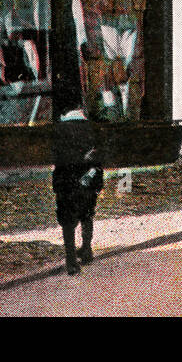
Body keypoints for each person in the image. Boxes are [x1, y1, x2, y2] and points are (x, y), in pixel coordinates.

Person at [53, 106, 104, 276]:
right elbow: (99, 157)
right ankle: (87, 250)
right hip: (88, 181)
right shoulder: (92, 128)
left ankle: (71, 261)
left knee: (68, 221)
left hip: (67, 182)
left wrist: (57, 184)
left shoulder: (60, 130)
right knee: (87, 215)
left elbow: (57, 157)